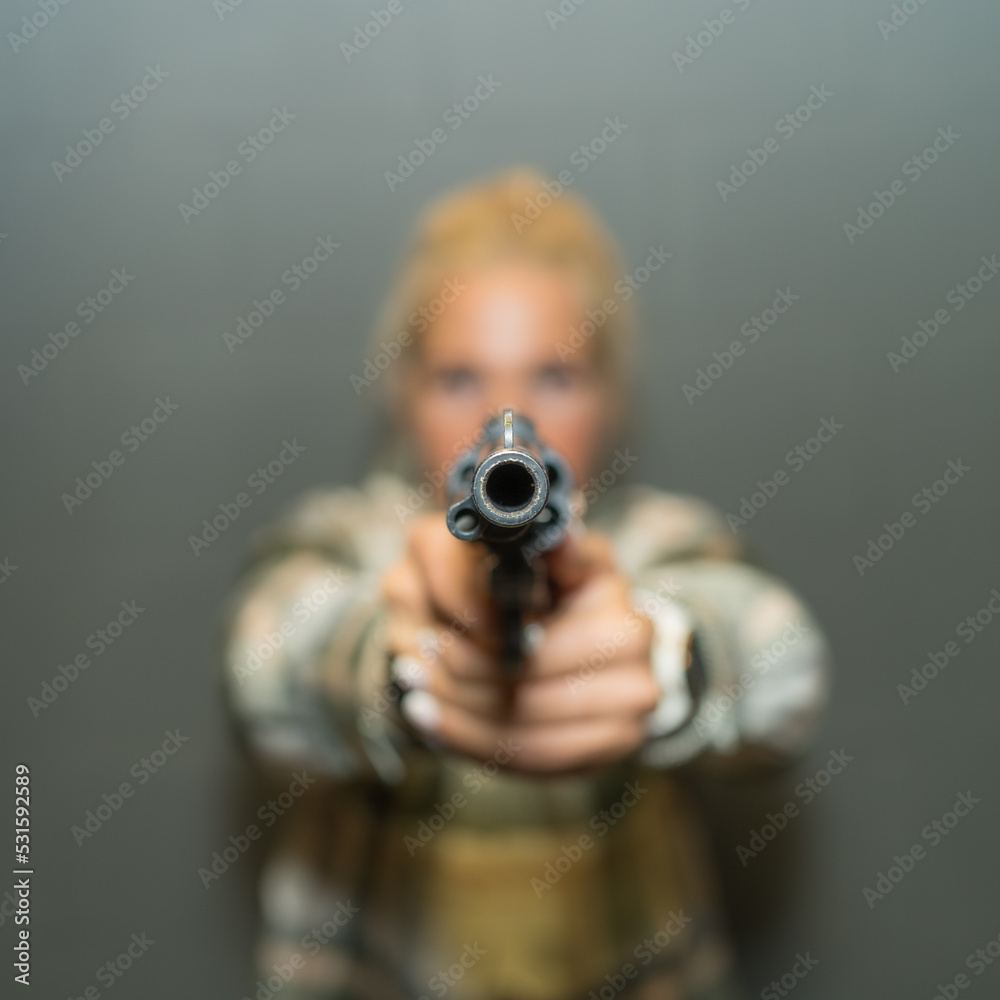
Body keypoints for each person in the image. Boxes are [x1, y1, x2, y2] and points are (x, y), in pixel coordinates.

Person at [219, 168, 831, 1000]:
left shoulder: (660, 545)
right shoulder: (345, 541)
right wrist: (394, 667)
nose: (502, 412)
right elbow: (261, 660)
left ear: (611, 395)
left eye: (554, 376)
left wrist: (663, 665)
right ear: (402, 393)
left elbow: (782, 664)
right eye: (460, 377)